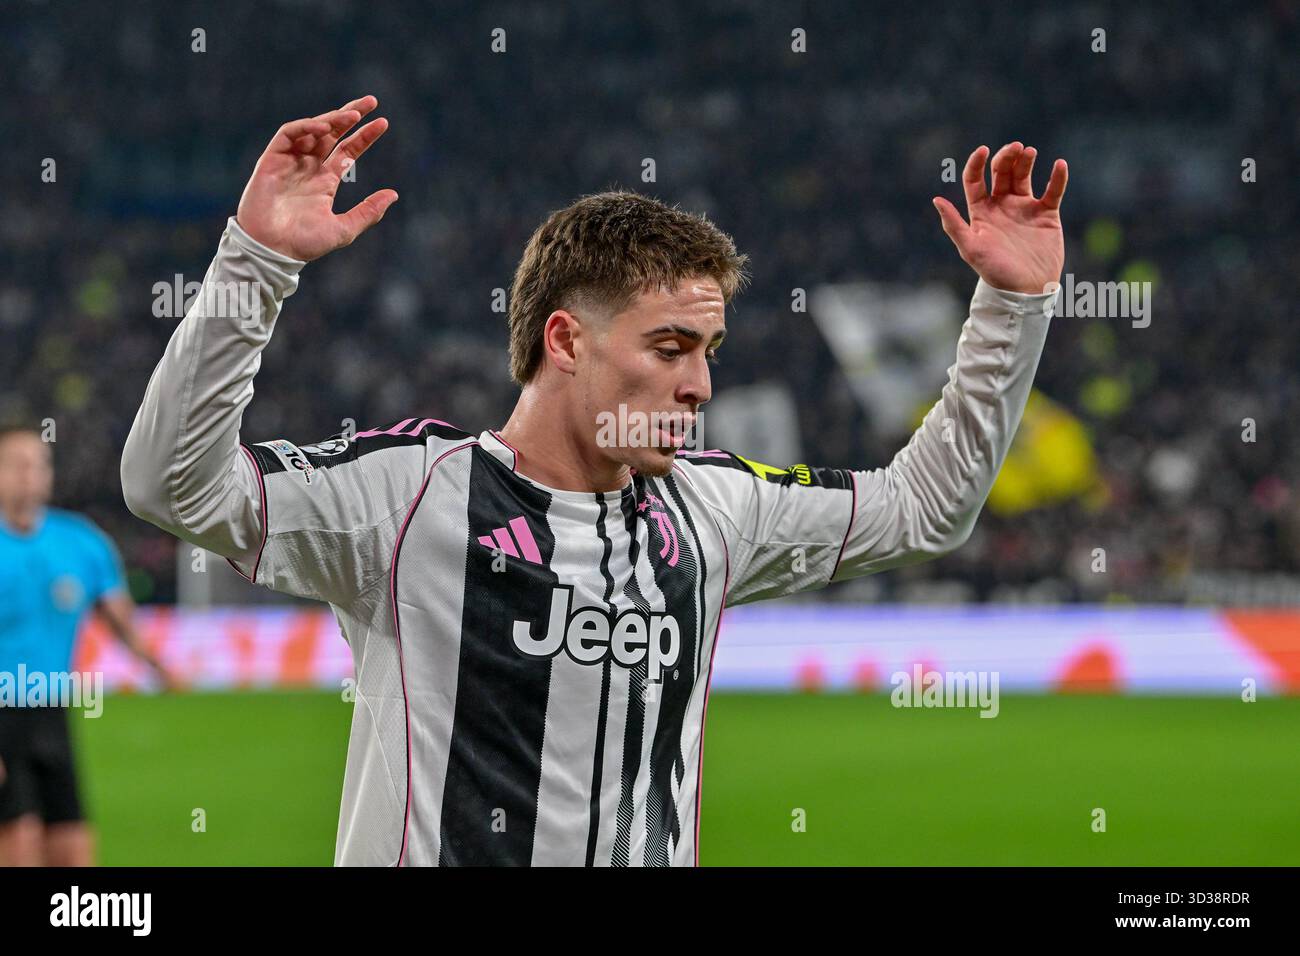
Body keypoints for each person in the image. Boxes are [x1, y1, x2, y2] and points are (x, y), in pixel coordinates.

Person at [121, 95, 1067, 866]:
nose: (700, 383)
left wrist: (1013, 307)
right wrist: (257, 263)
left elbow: (925, 509)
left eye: (709, 350)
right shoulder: (408, 496)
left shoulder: (714, 507)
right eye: (668, 347)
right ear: (565, 340)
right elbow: (173, 486)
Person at [0, 427, 172, 866]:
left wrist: (160, 667)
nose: (30, 475)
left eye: (40, 464)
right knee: (18, 850)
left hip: (52, 714)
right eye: (18, 464)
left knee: (74, 852)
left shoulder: (80, 542)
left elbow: (120, 620)